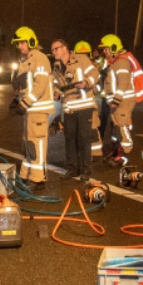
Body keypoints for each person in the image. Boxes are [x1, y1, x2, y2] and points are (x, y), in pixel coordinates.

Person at [10, 26, 55, 188]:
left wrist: (25, 102)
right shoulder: (24, 60)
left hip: (38, 108)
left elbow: (40, 85)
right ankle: (27, 174)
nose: (20, 46)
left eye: (22, 43)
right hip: (30, 109)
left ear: (31, 41)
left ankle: (38, 178)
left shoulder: (40, 58)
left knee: (37, 143)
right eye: (18, 43)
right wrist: (18, 100)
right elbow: (25, 86)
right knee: (28, 142)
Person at [51, 39, 99, 181]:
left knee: (84, 138)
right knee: (69, 138)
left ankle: (86, 169)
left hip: (84, 106)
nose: (54, 52)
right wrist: (56, 93)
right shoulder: (56, 67)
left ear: (65, 48)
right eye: (52, 50)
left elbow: (94, 74)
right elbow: (56, 84)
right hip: (69, 108)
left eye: (56, 49)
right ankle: (72, 169)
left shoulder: (81, 59)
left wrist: (86, 83)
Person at [99, 33, 143, 166]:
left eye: (106, 48)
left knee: (122, 126)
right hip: (118, 101)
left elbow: (123, 83)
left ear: (113, 47)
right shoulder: (116, 62)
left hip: (122, 101)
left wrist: (116, 100)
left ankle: (125, 156)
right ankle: (117, 152)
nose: (104, 51)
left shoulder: (121, 62)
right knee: (117, 126)